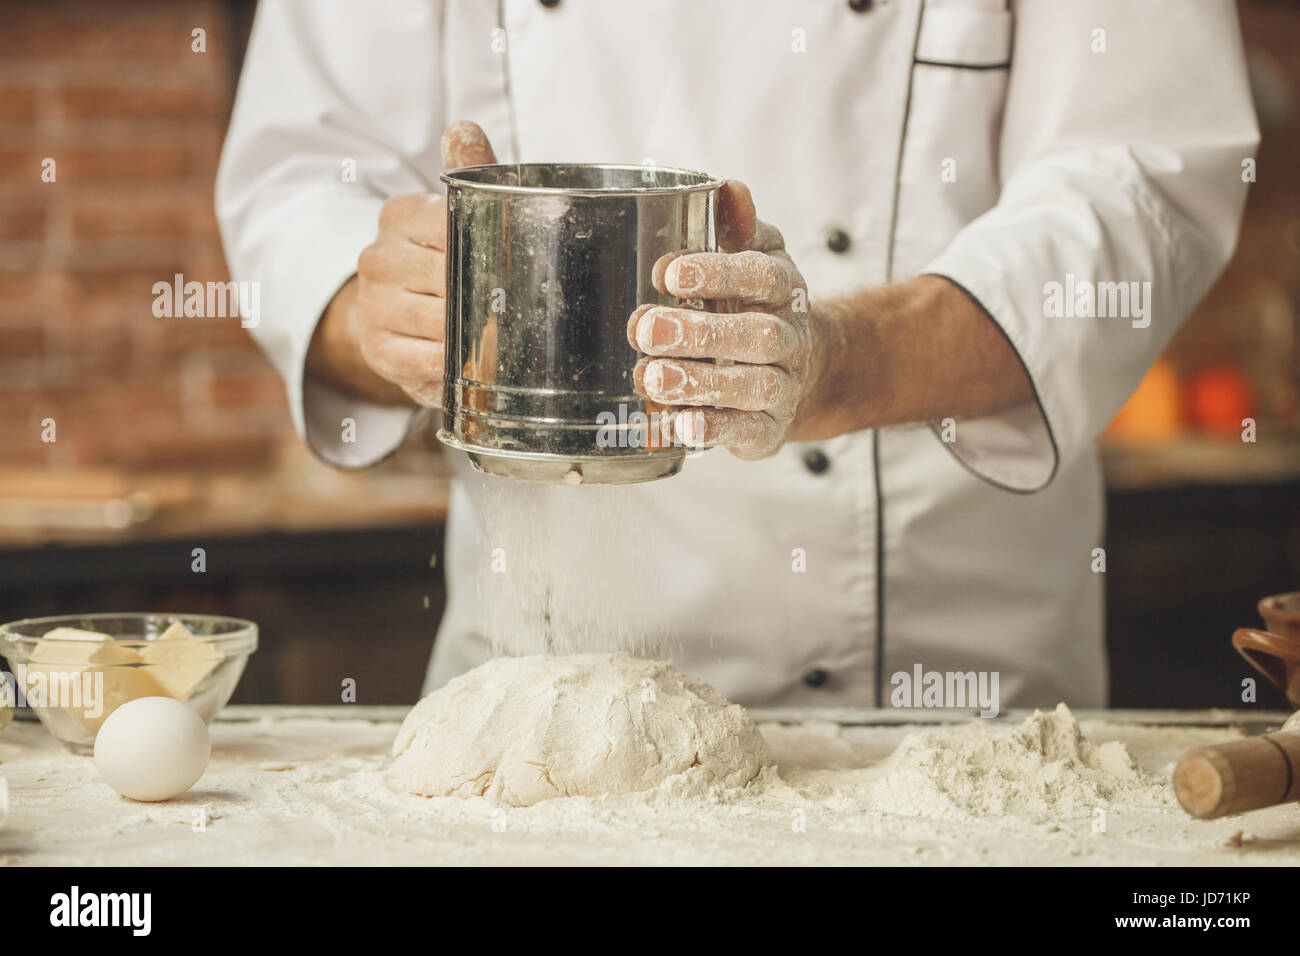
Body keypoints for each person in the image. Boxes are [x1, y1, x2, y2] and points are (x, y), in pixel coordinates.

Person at [217, 0, 1258, 709]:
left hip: (940, 698)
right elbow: (297, 177)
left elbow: (1138, 172)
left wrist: (843, 360)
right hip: (538, 687)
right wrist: (381, 309)